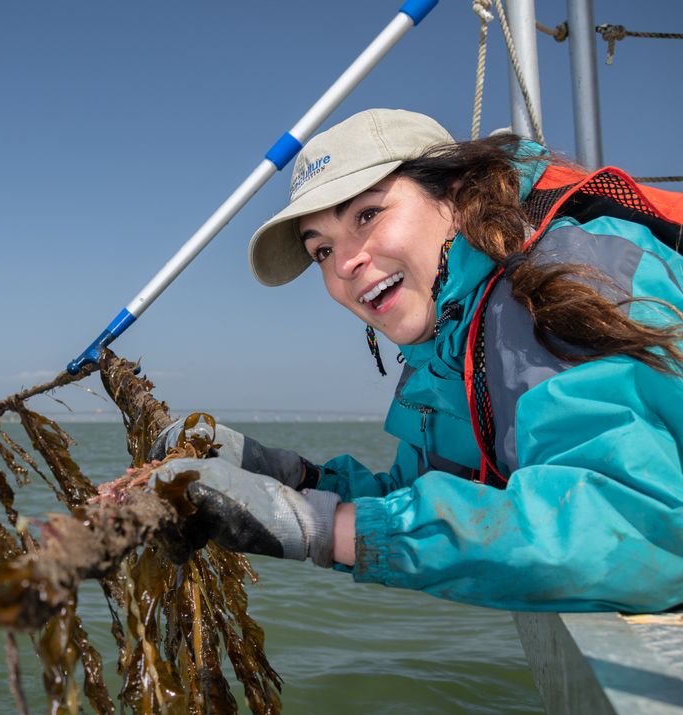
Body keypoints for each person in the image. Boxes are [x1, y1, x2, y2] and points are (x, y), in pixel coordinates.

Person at [149, 108, 683, 613]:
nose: (346, 265)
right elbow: (434, 495)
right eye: (322, 251)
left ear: (454, 194)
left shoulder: (567, 277)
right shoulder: (449, 341)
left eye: (368, 214)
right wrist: (288, 477)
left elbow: (636, 523)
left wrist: (320, 529)